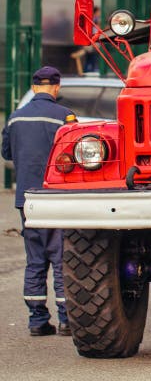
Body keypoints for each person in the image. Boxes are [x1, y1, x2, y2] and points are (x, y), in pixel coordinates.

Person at [2, 66, 77, 335]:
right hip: (56, 198)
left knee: (35, 259)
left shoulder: (15, 118)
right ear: (56, 88)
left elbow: (7, 153)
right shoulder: (65, 117)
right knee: (61, 258)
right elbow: (76, 158)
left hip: (27, 198)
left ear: (34, 88)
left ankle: (36, 320)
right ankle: (67, 319)